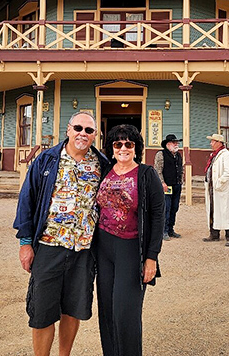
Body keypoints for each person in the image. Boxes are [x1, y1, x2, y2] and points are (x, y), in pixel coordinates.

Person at [13, 111, 109, 356]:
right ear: (68, 130)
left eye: (89, 130)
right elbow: (27, 200)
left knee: (72, 309)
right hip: (49, 246)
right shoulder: (47, 160)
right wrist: (25, 243)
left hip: (84, 250)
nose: (82, 134)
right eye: (78, 128)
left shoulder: (102, 164)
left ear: (94, 135)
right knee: (42, 312)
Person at [95, 124, 164, 356]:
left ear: (136, 148)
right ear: (111, 148)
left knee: (125, 313)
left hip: (130, 248)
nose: (123, 148)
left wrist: (152, 257)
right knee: (107, 310)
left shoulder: (146, 174)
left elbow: (157, 216)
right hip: (103, 248)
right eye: (118, 144)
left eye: (129, 144)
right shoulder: (106, 171)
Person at [202, 134, 229, 246]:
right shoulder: (214, 155)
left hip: (221, 187)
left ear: (219, 142)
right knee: (212, 210)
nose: (211, 144)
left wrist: (220, 182)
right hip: (212, 187)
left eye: (212, 141)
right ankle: (214, 233)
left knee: (225, 210)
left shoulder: (226, 155)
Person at [153, 133, 184, 241]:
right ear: (168, 144)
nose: (177, 144)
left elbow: (181, 169)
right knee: (166, 207)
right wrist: (162, 183)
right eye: (174, 143)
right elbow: (157, 170)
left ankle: (171, 229)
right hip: (166, 186)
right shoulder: (160, 154)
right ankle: (164, 231)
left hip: (177, 185)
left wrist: (181, 182)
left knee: (174, 208)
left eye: (177, 143)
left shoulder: (178, 155)